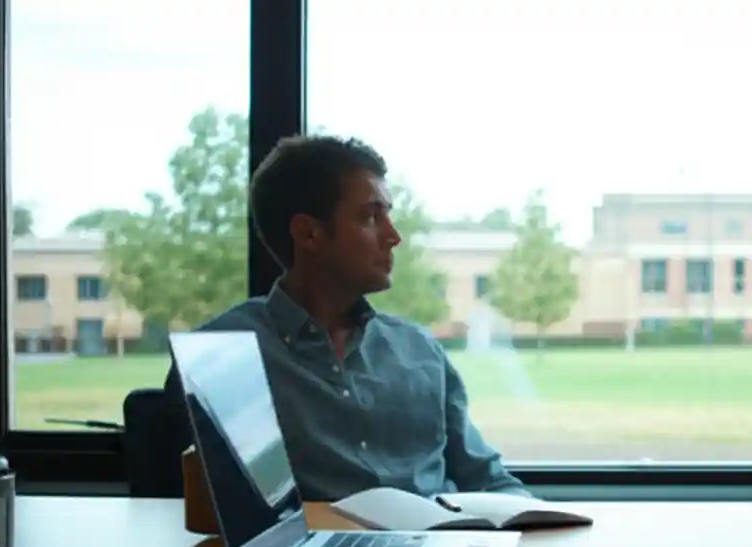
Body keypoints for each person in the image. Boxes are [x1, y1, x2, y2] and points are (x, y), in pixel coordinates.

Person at [164, 134, 530, 500]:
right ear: (309, 233)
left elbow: (487, 479)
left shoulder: (419, 349)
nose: (394, 236)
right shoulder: (219, 360)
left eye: (388, 214)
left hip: (438, 545)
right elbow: (207, 515)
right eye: (372, 216)